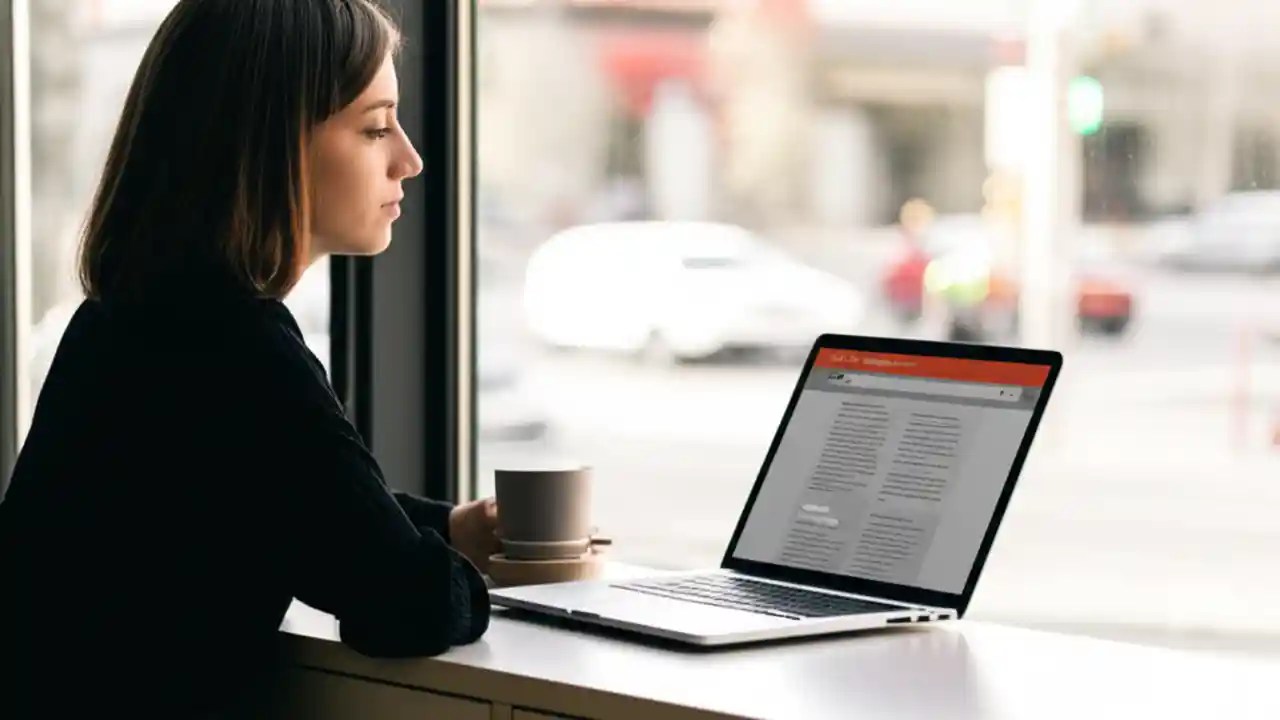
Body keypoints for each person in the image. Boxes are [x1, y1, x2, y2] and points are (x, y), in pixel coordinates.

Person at [0, 1, 499, 716]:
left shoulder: (124, 319)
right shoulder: (241, 349)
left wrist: (448, 529)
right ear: (273, 144)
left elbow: (282, 498)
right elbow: (404, 603)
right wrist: (469, 574)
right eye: (375, 127)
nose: (409, 160)